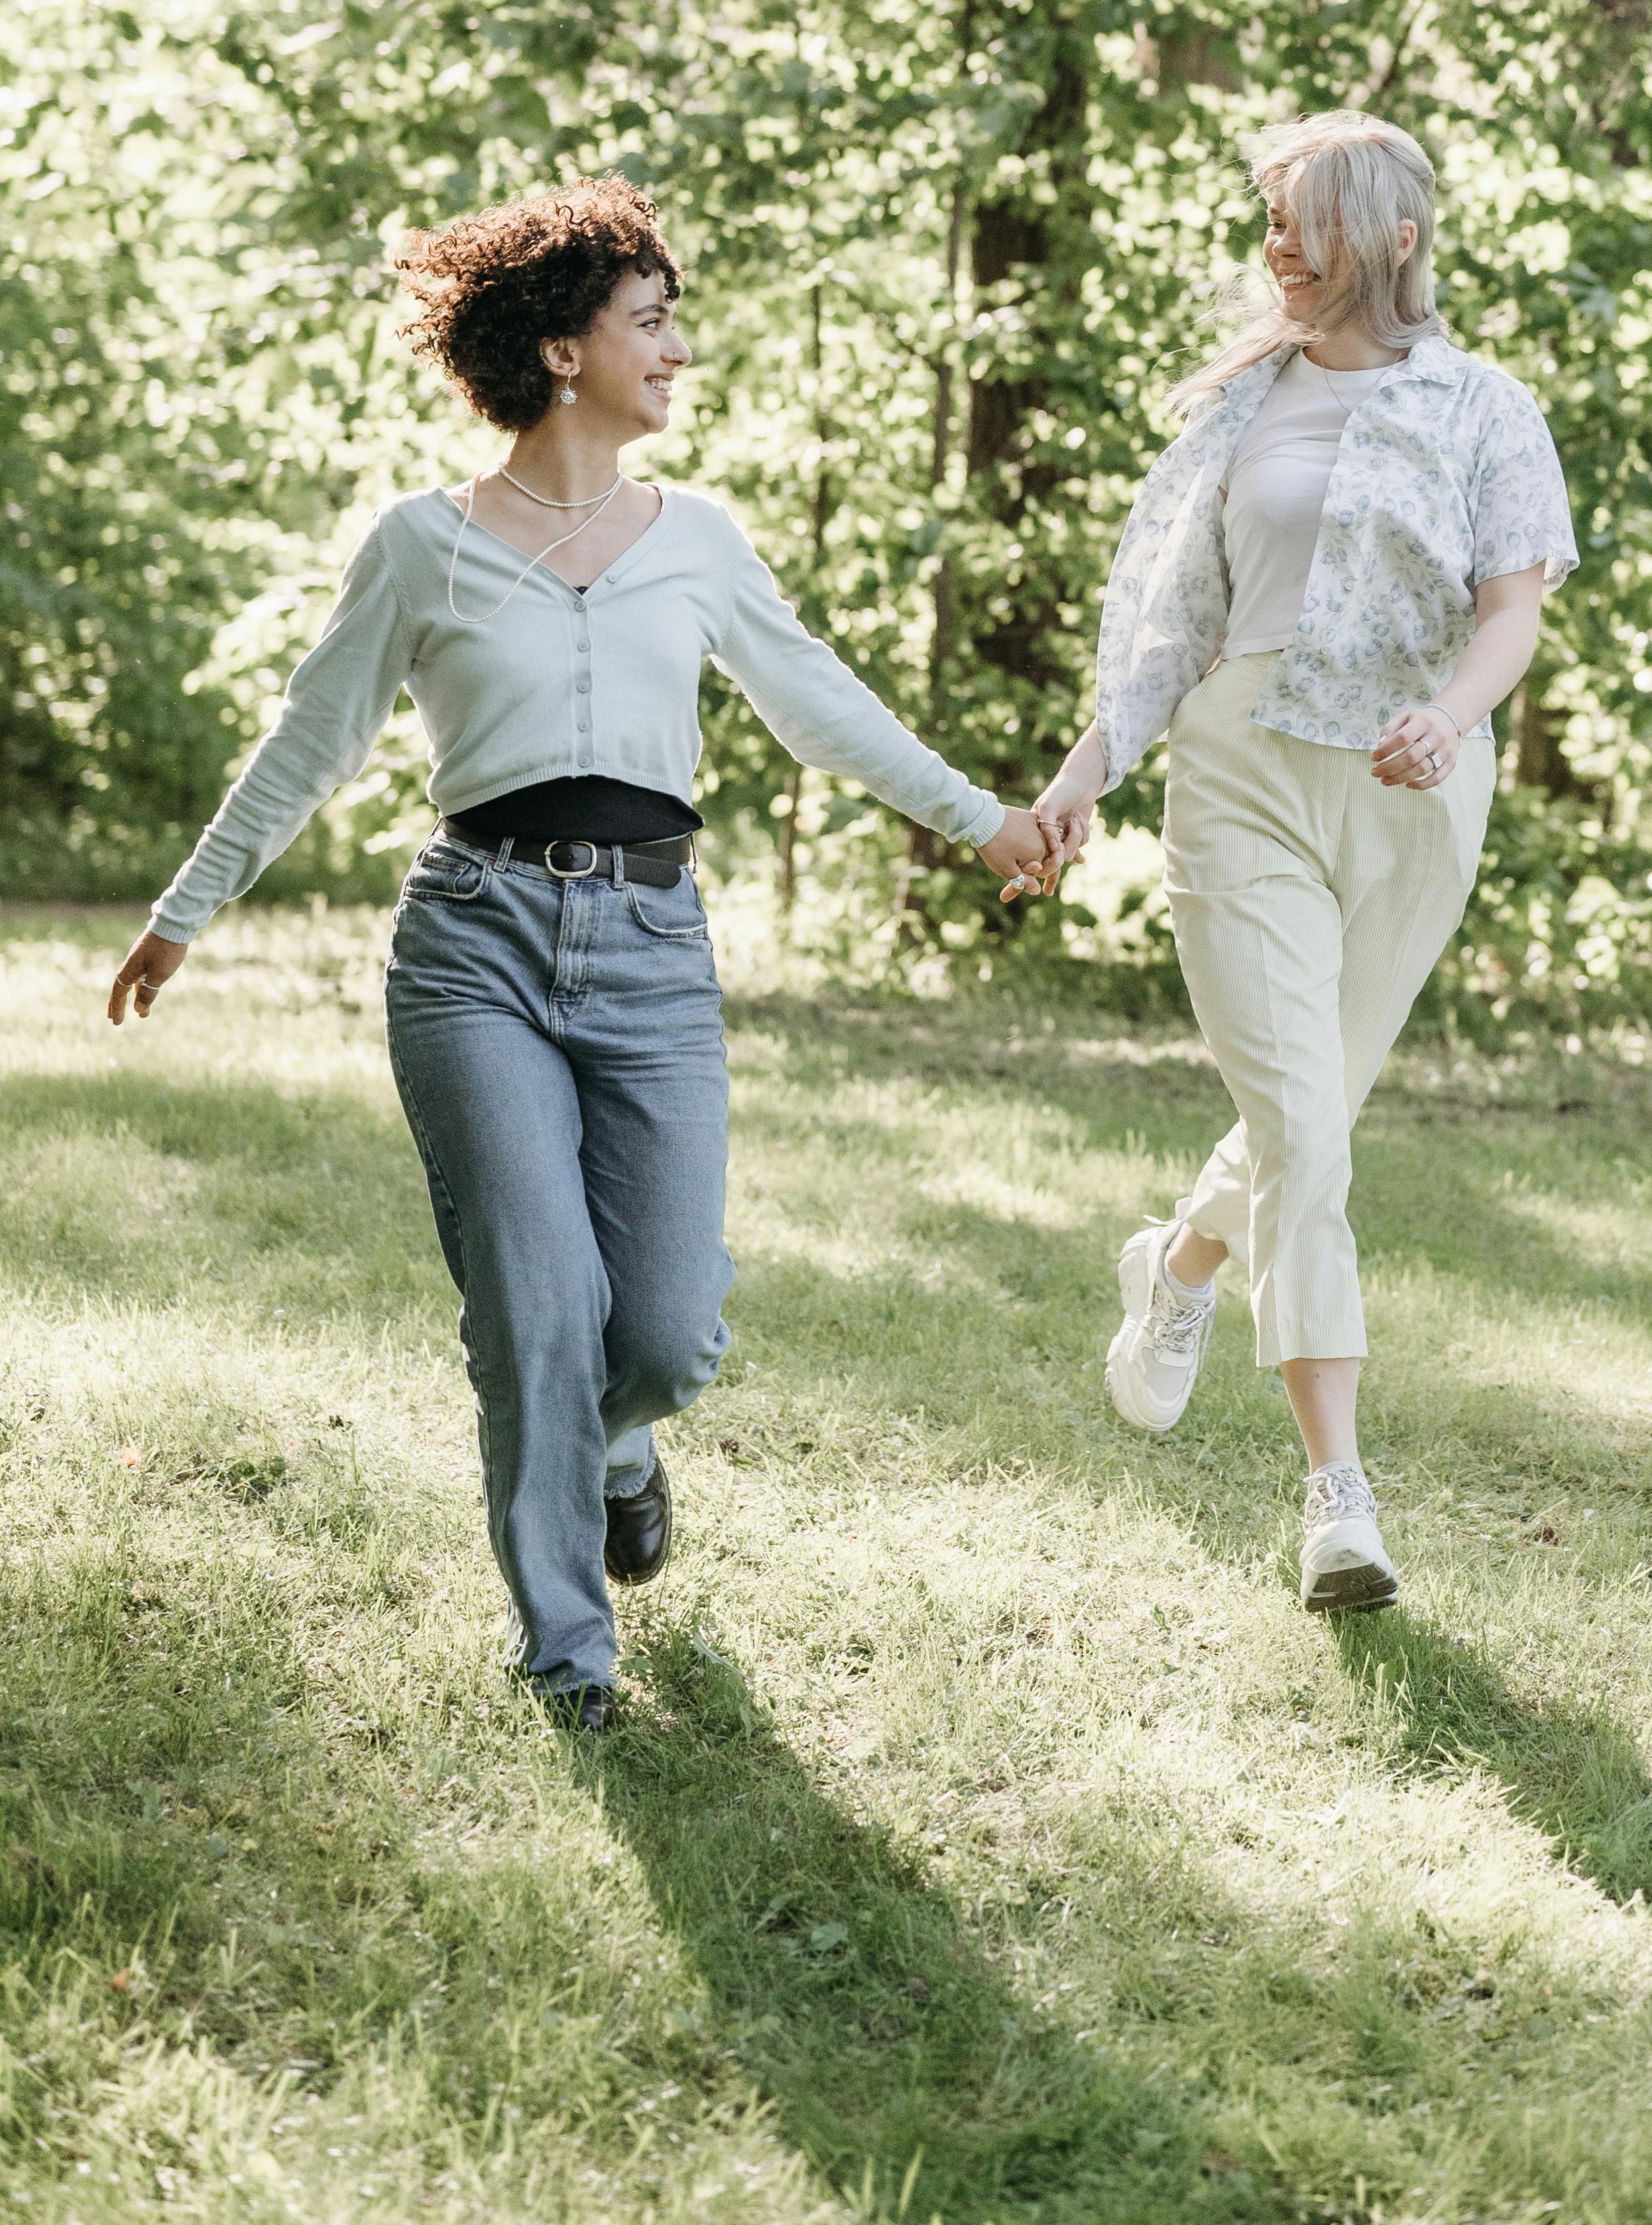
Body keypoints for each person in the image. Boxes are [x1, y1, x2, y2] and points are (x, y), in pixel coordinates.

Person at [107, 181, 1052, 1728]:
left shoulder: (700, 541)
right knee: (537, 1313)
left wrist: (982, 818)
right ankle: (569, 1656)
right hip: (473, 944)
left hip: (651, 948)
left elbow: (818, 703)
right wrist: (186, 908)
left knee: (667, 1332)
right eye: (652, 321)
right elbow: (313, 740)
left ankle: (624, 1449)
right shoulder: (422, 544)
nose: (678, 349)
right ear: (561, 351)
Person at [1032, 113, 1576, 1611]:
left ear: (1391, 238)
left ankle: (1182, 1268)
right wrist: (1083, 784)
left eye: (1303, 219)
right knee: (1303, 1128)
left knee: (1312, 1114)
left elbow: (1514, 606)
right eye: (1266, 217)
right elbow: (1165, 633)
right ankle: (1338, 1496)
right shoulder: (1233, 411)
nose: (1274, 243)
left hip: (1411, 793)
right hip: (1240, 772)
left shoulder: (1483, 408)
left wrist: (1452, 718)